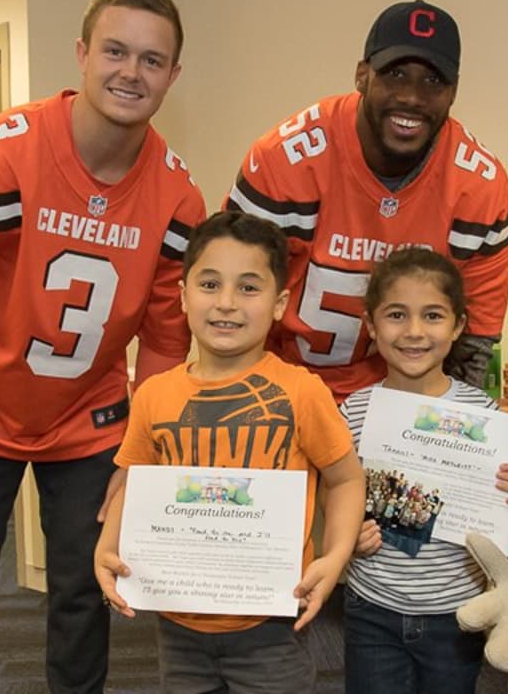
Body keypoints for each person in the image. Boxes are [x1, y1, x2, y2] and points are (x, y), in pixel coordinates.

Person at [0, 0, 205, 691]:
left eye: (152, 60)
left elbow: (162, 337)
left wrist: (139, 452)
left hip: (88, 418)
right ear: (82, 54)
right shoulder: (0, 155)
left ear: (173, 76)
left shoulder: (179, 195)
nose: (132, 72)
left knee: (82, 596)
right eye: (116, 51)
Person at [94, 212, 366, 693]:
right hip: (177, 623)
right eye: (210, 283)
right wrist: (106, 546)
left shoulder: (301, 392)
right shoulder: (154, 394)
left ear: (280, 303)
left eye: (248, 288)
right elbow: (135, 480)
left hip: (272, 627)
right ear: (182, 295)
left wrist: (336, 553)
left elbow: (345, 478)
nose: (226, 303)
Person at [224, 0, 508, 400]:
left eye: (433, 81)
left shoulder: (481, 188)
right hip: (280, 395)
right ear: (362, 75)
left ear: (454, 92)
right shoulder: (283, 161)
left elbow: (473, 345)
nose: (412, 97)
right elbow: (231, 310)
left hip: (402, 407)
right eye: (395, 74)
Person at [338, 248, 508, 694]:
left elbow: (505, 513)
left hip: (457, 612)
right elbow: (333, 497)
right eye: (397, 315)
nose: (414, 332)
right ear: (372, 326)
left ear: (458, 326)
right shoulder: (353, 412)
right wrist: (345, 537)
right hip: (372, 606)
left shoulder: (486, 416)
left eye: (432, 316)